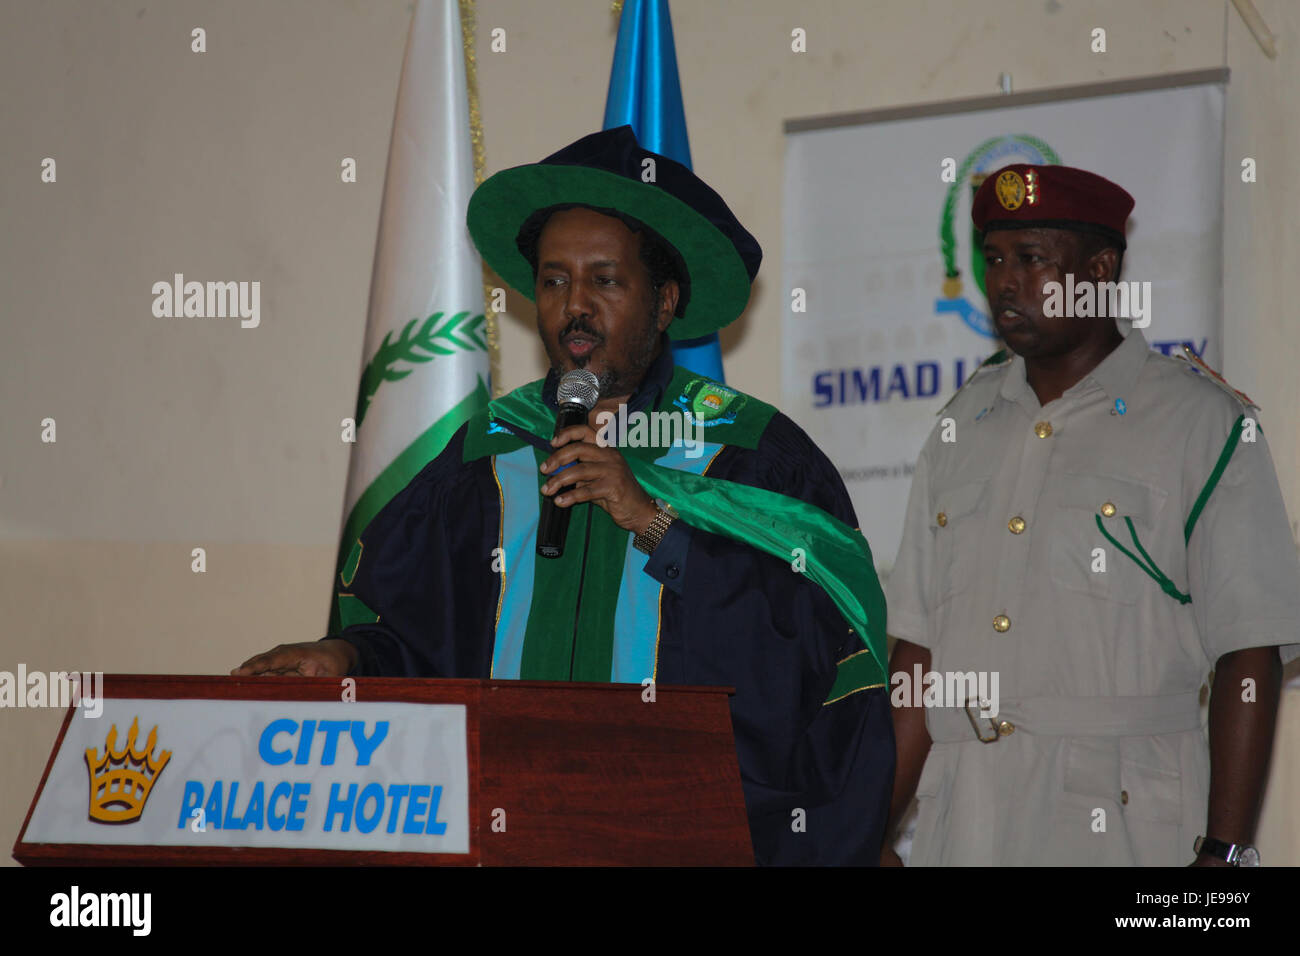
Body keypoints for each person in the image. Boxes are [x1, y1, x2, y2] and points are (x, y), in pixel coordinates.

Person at [235, 126, 894, 866]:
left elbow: (816, 659)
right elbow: (421, 644)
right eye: (554, 281)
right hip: (506, 839)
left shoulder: (754, 457)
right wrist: (347, 657)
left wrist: (655, 522)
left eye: (605, 280)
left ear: (666, 299)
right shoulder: (480, 461)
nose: (574, 307)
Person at [881, 162, 1300, 866]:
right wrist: (868, 830)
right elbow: (918, 657)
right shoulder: (961, 427)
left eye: (1032, 259)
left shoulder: (1200, 422)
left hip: (1124, 823)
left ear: (1101, 268)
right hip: (965, 823)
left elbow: (1249, 651)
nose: (1006, 282)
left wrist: (1226, 855)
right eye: (993, 259)